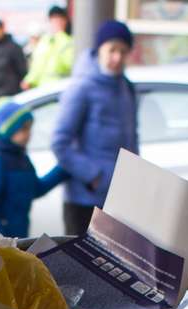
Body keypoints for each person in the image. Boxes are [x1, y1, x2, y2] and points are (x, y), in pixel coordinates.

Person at [50, 19, 137, 237]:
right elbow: (60, 142)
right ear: (100, 49)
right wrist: (94, 176)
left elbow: (132, 137)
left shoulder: (126, 87)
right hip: (84, 200)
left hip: (119, 200)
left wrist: (135, 176)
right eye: (112, 50)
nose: (117, 58)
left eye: (123, 51)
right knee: (81, 258)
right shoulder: (82, 87)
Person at [0, 101, 67, 239]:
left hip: (20, 234)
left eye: (30, 128)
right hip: (5, 239)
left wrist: (63, 170)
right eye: (24, 129)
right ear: (9, 129)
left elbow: (35, 189)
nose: (29, 134)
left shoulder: (20, 156)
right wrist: (1, 240)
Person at [22, 5, 75, 89]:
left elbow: (71, 64)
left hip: (59, 88)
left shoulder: (68, 41)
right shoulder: (44, 40)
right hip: (41, 89)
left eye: (59, 19)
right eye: (53, 19)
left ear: (65, 21)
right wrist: (29, 80)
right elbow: (38, 64)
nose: (56, 22)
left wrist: (60, 36)